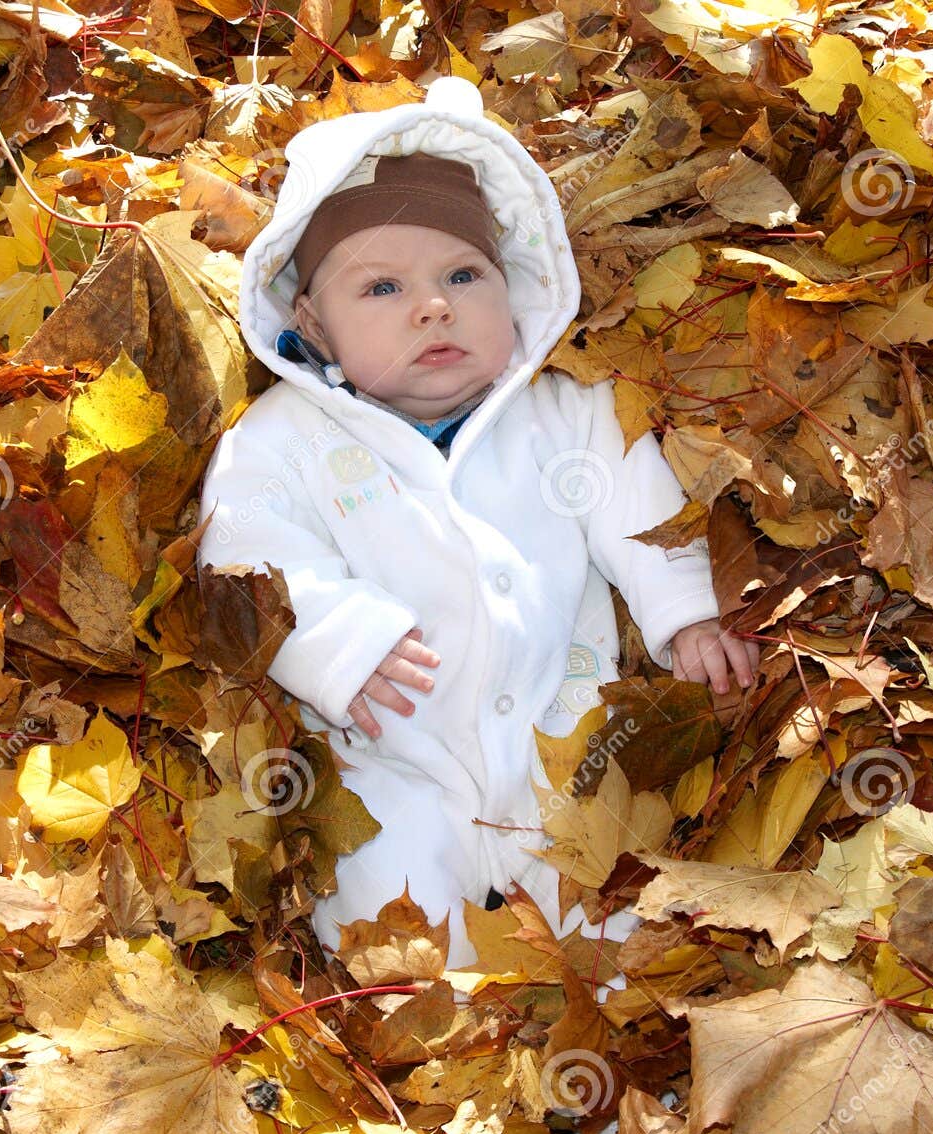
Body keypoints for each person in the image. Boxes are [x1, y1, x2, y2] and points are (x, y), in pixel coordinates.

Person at [196, 75, 760, 992]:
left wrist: (683, 613)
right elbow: (247, 552)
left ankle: (598, 1028)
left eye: (464, 276)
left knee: (608, 899)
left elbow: (638, 504)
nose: (433, 307)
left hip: (564, 738)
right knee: (386, 905)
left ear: (513, 289)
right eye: (382, 287)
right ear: (314, 326)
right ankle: (424, 1033)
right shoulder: (283, 440)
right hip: (389, 756)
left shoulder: (564, 412)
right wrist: (338, 643)